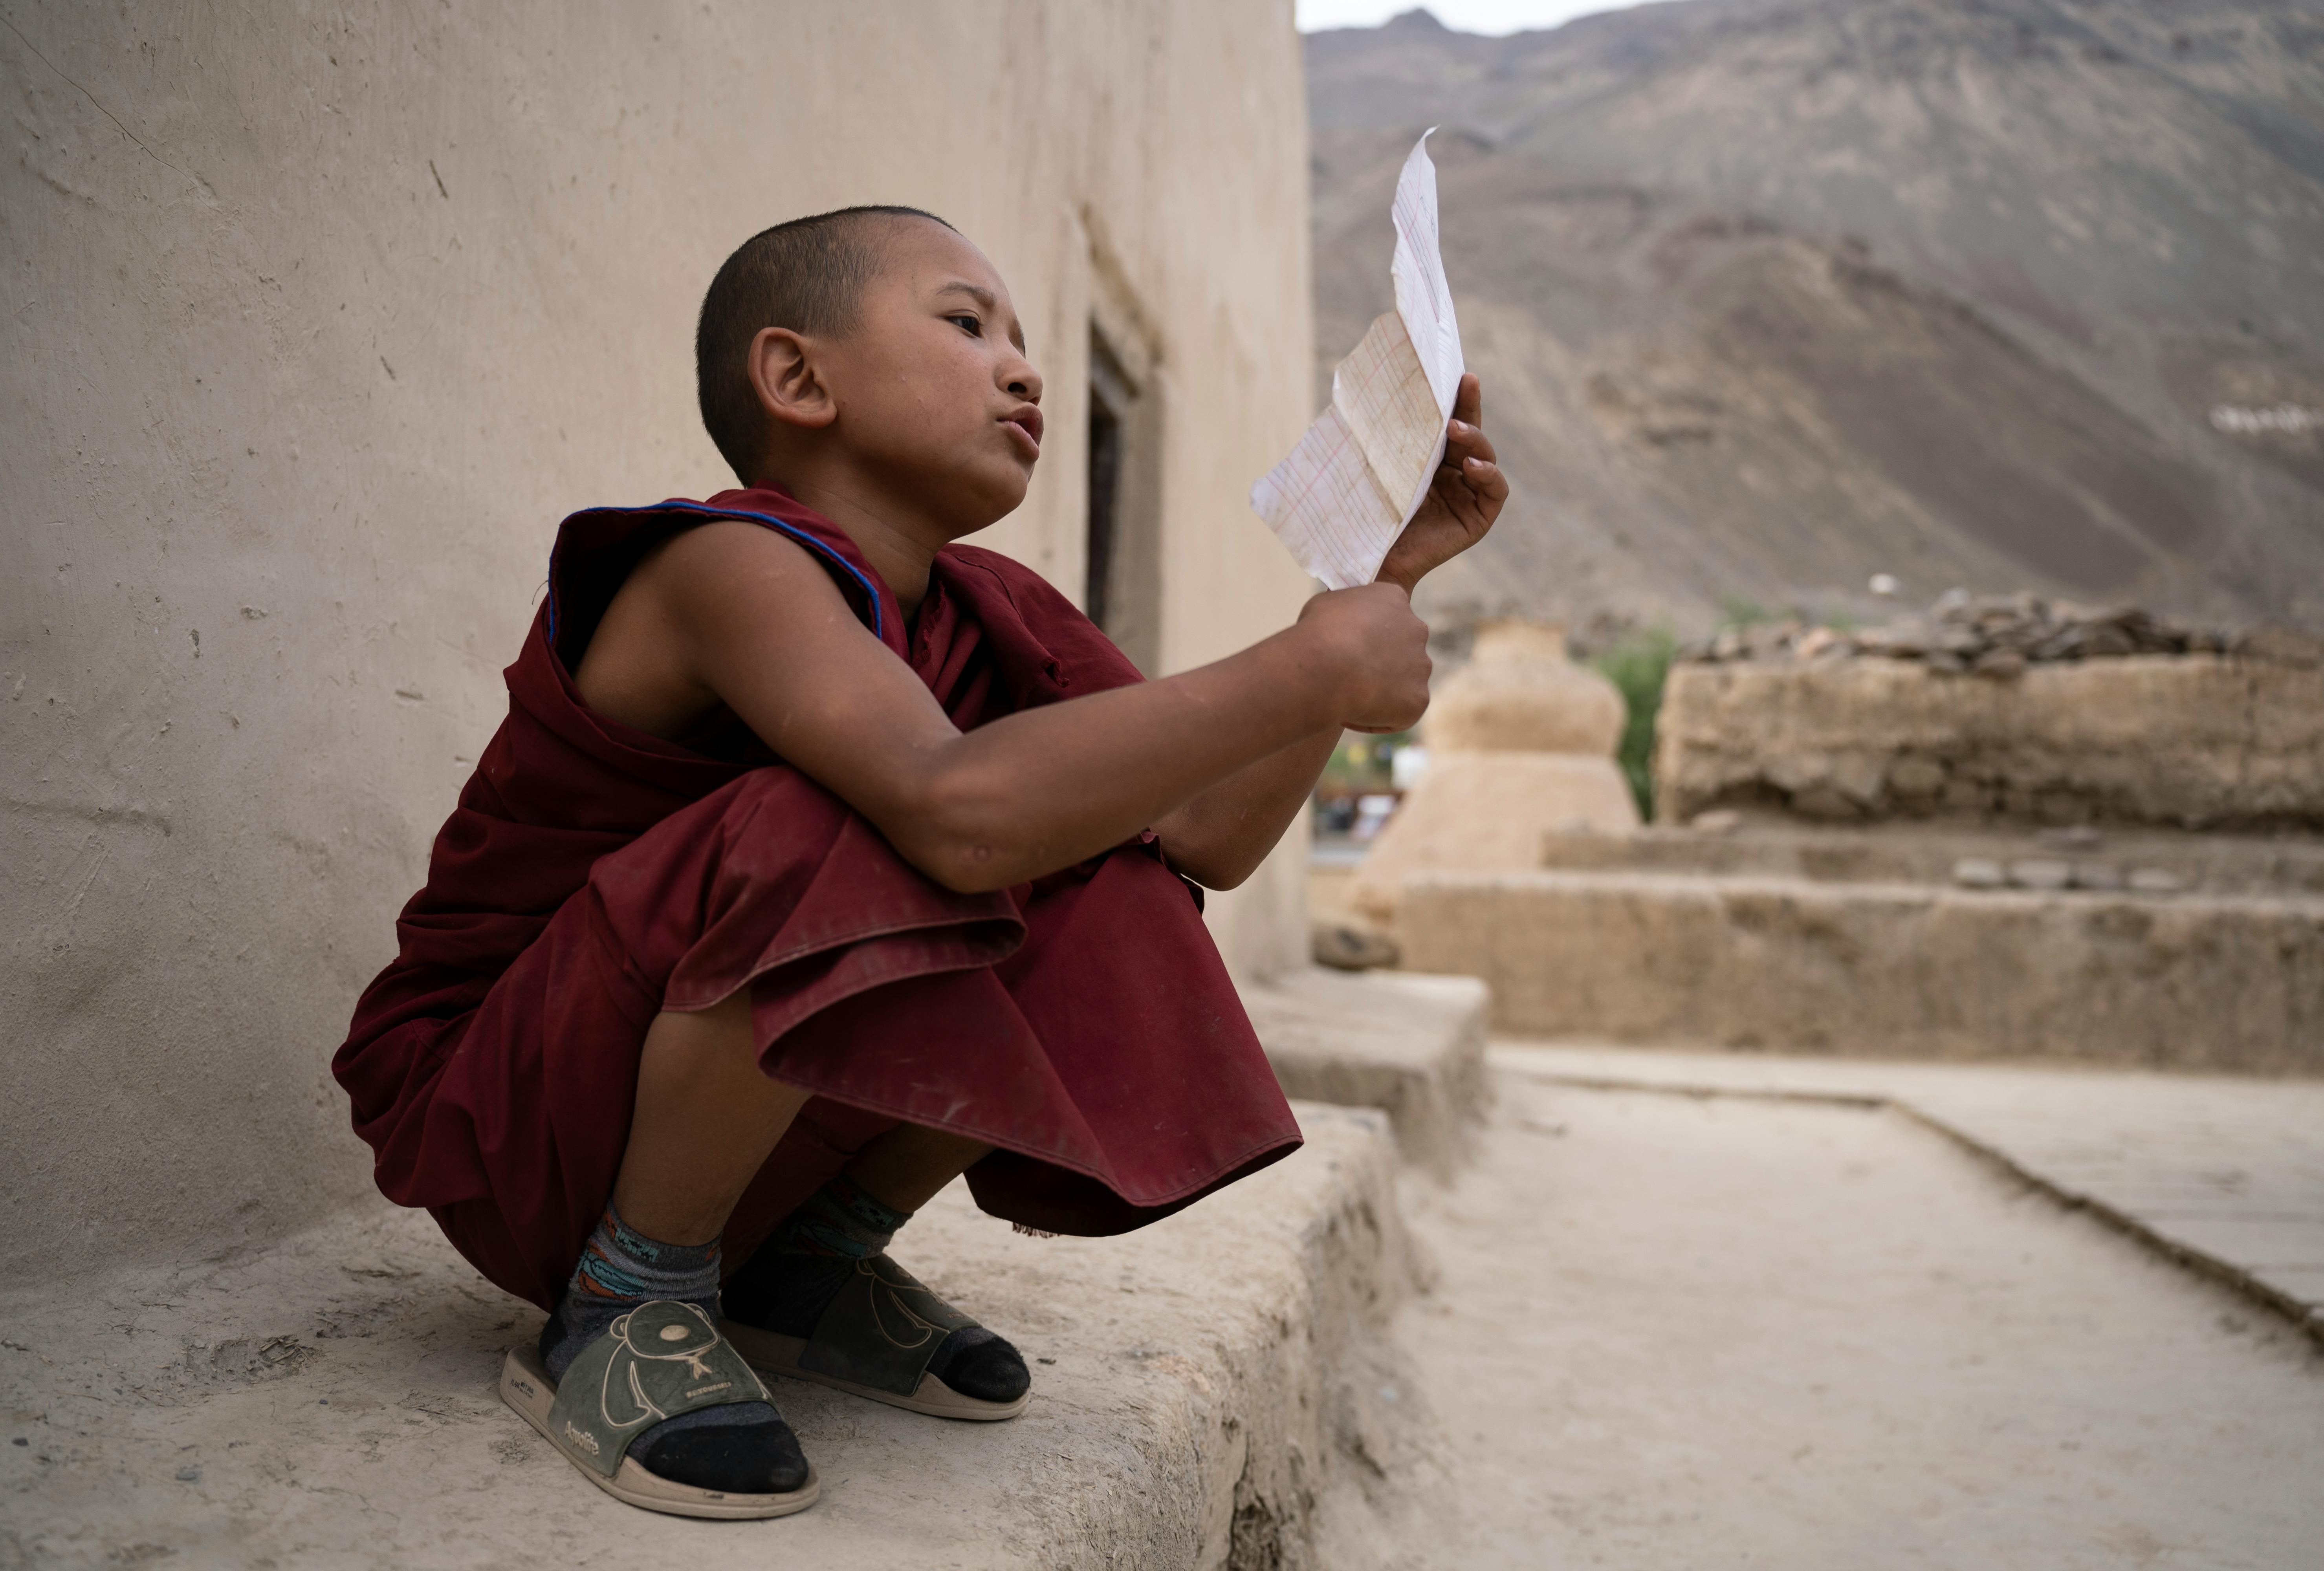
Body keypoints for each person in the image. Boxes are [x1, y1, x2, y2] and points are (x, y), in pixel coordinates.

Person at [334, 204, 1507, 1518]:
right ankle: (625, 1299)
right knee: (856, 815)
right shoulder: (726, 564)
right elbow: (949, 810)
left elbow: (1207, 841)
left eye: (1022, 340)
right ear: (797, 378)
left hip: (747, 1132)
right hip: (510, 1120)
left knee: (1094, 861)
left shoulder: (997, 614)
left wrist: (1370, 585)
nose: (1024, 368)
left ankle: (805, 1264)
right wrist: (1307, 669)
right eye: (966, 324)